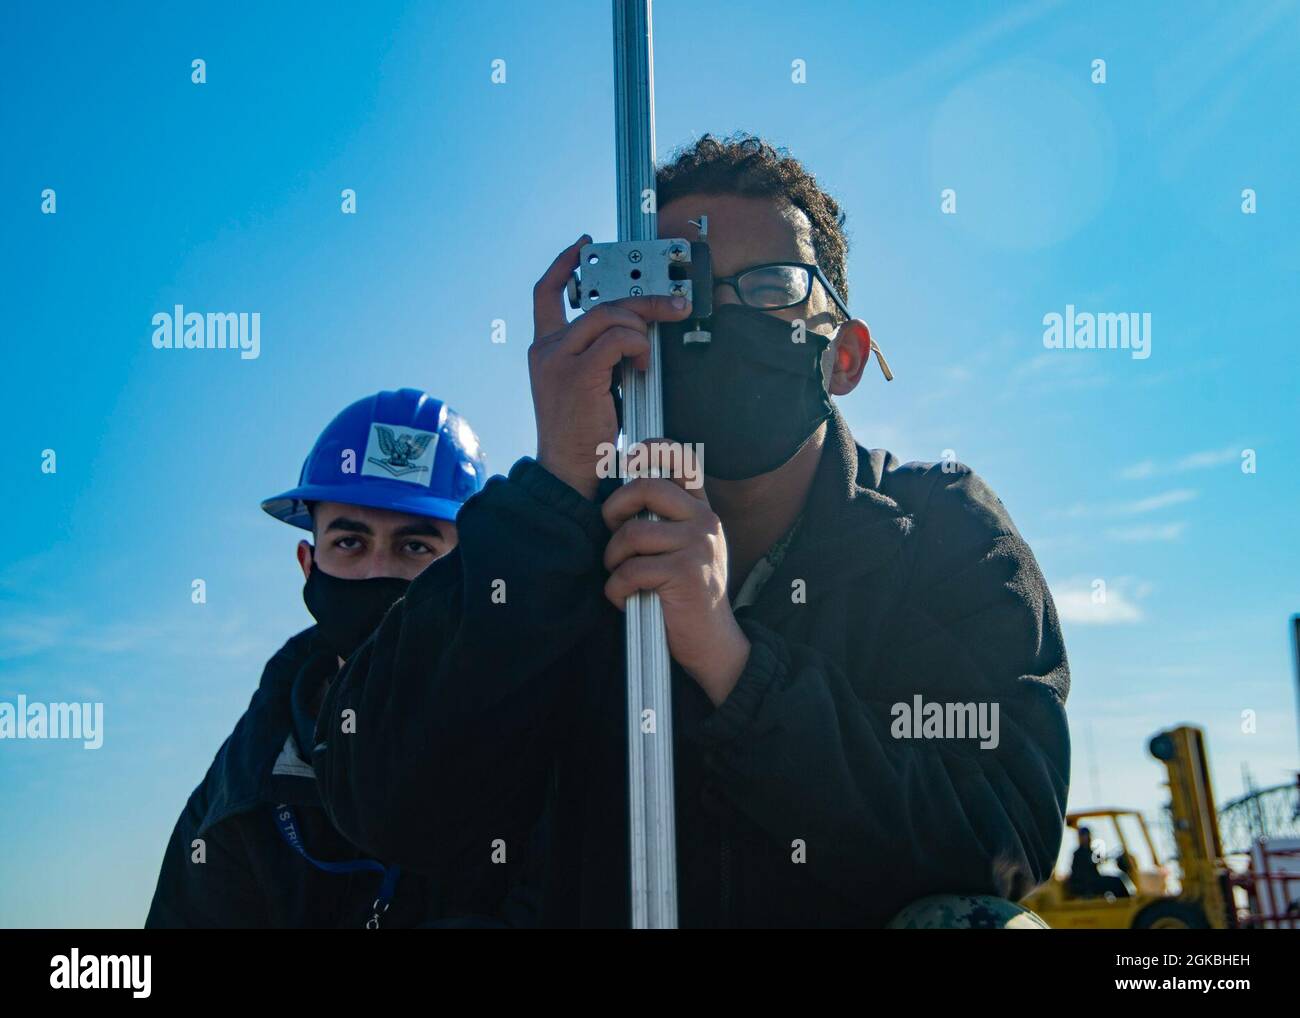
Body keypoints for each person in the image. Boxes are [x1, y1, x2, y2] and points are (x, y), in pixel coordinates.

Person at [314, 134, 1072, 927]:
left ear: (845, 356)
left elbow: (1000, 834)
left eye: (775, 288)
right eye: (688, 288)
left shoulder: (938, 533)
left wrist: (735, 666)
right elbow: (384, 802)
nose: (723, 320)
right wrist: (559, 483)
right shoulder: (548, 543)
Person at [146, 388, 536, 927]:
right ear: (308, 563)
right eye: (350, 543)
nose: (378, 571)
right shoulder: (242, 794)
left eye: (415, 547)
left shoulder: (541, 740)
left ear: (466, 571)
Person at [1067, 827, 1130, 900]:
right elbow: (1090, 861)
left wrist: (1109, 857)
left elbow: (1096, 858)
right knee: (1116, 882)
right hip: (1085, 883)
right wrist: (1101, 859)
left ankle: (1124, 902)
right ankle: (1126, 903)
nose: (1086, 837)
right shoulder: (1079, 853)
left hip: (1090, 881)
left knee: (1116, 881)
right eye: (1083, 835)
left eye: (1086, 835)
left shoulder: (1089, 851)